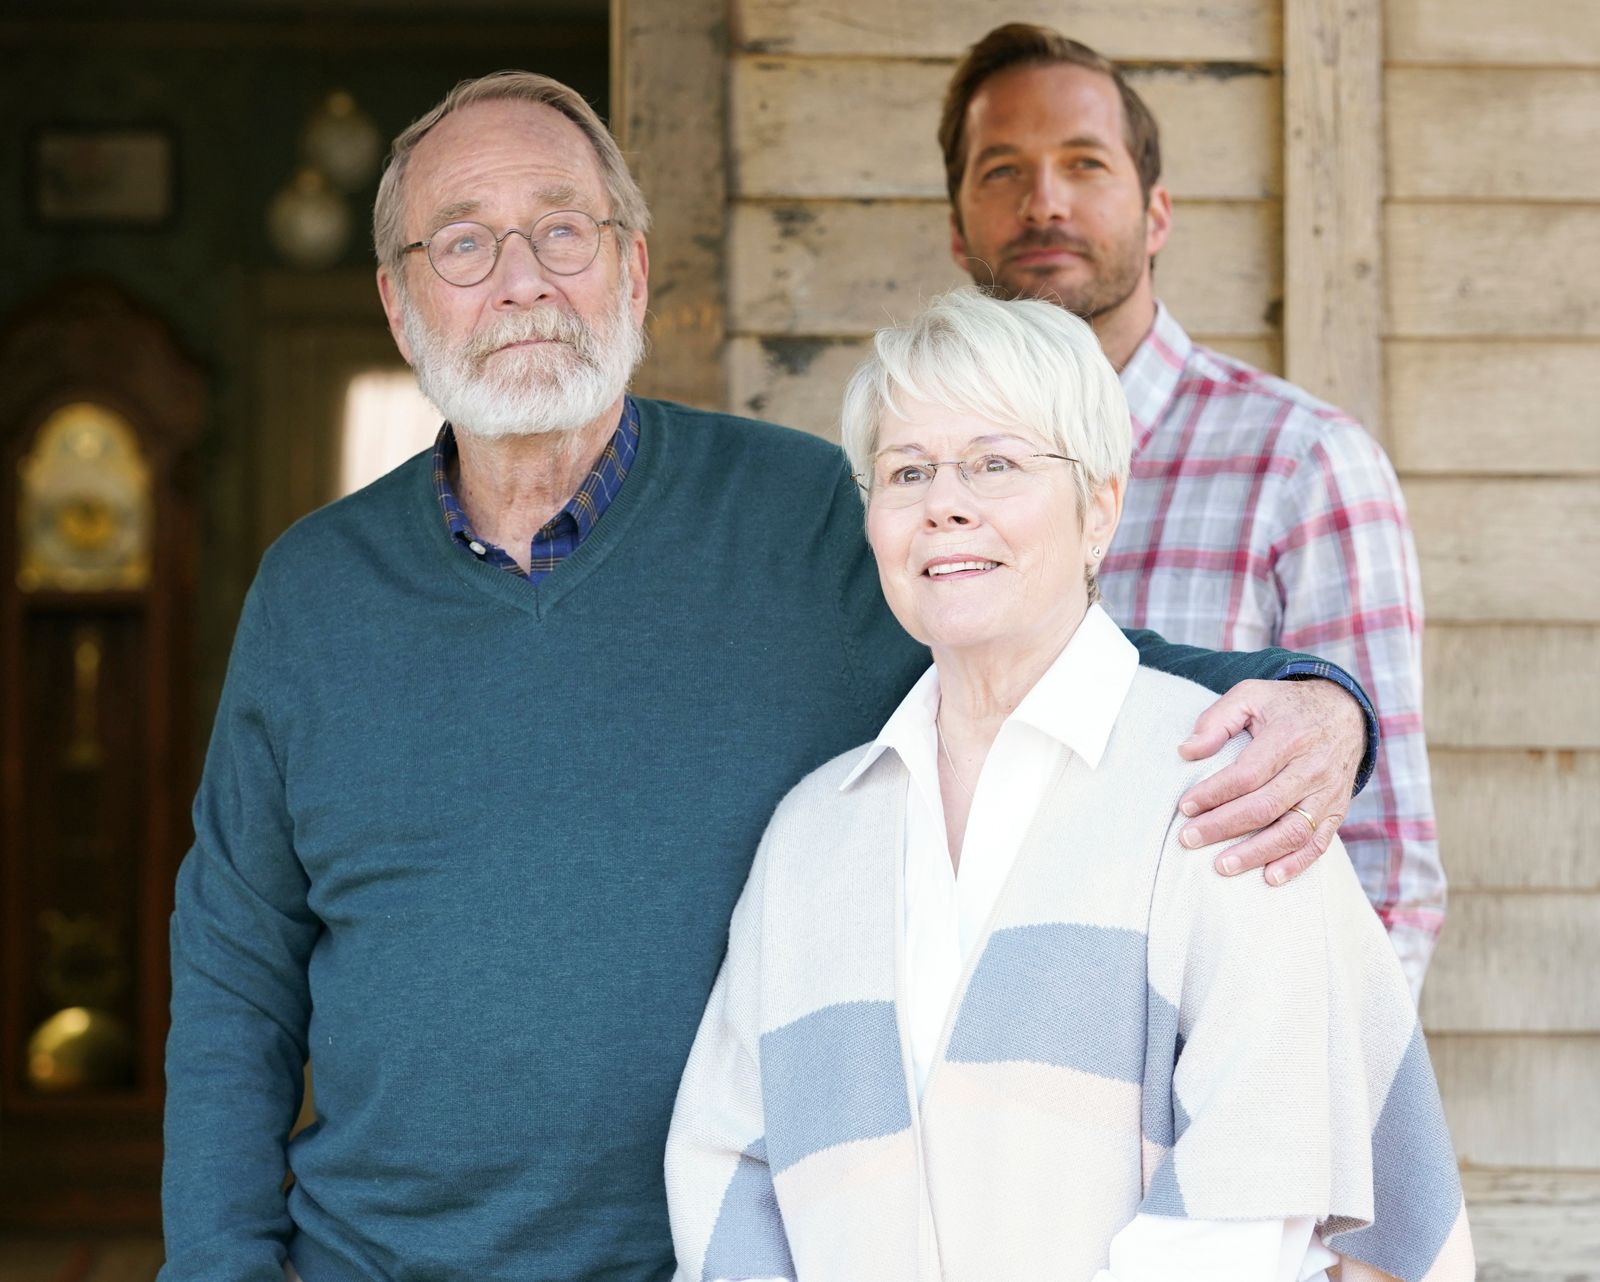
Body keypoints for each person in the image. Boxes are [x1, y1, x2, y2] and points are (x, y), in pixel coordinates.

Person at [161, 72, 1377, 1282]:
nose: (522, 279)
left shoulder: (801, 519)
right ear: (396, 298)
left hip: (707, 1256)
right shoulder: (311, 593)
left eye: (562, 230)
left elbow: (1036, 641)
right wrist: (217, 1266)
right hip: (367, 1262)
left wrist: (1307, 692)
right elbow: (234, 972)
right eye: (466, 243)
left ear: (632, 269)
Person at [665, 288, 1471, 1282]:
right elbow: (726, 1160)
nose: (944, 502)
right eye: (905, 470)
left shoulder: (1228, 794)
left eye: (995, 463)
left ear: (1098, 508)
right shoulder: (810, 835)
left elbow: (1261, 1175)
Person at [938, 24, 1442, 994]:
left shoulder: (1303, 467)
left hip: (1214, 1077)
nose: (1044, 201)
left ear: (1155, 212)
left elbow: (1382, 864)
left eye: (1084, 163)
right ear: (958, 230)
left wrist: (1295, 1112)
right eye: (1002, 170)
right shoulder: (920, 494)